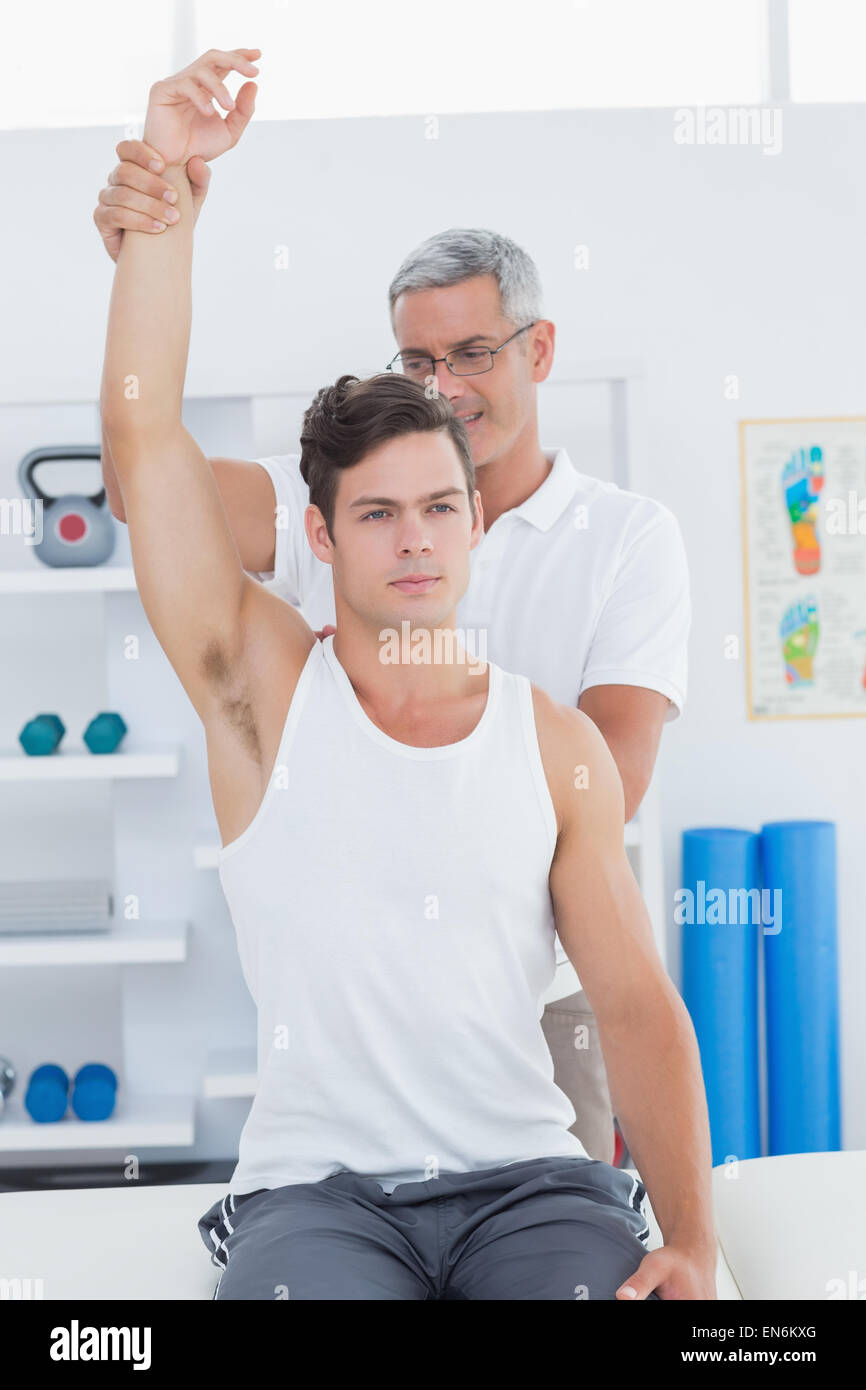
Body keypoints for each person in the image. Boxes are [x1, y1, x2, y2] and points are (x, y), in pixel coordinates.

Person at [99, 48, 715, 1300]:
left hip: (527, 1166)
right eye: (376, 514)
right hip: (322, 1188)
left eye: (439, 506)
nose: (416, 535)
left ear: (475, 520)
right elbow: (145, 448)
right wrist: (163, 200)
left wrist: (694, 1243)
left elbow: (637, 1002)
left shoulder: (562, 725)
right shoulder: (264, 685)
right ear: (318, 539)